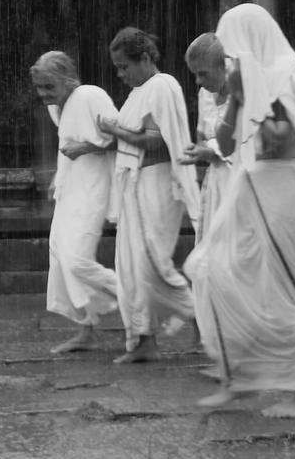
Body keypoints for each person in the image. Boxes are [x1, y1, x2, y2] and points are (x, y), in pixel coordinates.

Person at [185, 3, 295, 418]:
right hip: (251, 184)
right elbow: (228, 142)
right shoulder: (245, 79)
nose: (230, 56)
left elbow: (282, 138)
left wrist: (252, 96)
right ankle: (240, 377)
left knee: (282, 287)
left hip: (288, 186)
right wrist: (236, 97)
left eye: (232, 47)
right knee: (216, 270)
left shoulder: (290, 73)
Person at [97, 28, 201, 364]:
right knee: (129, 268)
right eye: (117, 67)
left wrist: (113, 129)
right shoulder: (139, 92)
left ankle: (203, 316)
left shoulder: (162, 85)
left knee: (151, 264)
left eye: (124, 66)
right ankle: (144, 340)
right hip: (133, 182)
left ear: (144, 59)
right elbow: (133, 138)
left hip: (154, 183)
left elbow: (155, 141)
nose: (120, 74)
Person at [31, 51, 121, 354]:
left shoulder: (90, 96)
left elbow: (124, 136)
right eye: (40, 88)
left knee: (77, 259)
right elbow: (64, 146)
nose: (44, 95)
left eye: (49, 87)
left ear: (67, 79)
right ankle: (87, 328)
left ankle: (134, 294)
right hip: (71, 188)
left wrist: (85, 147)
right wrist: (59, 178)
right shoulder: (59, 106)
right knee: (59, 256)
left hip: (94, 188)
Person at [178, 32, 232, 373]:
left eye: (204, 74)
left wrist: (211, 149)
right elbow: (204, 136)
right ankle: (219, 348)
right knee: (206, 266)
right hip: (214, 182)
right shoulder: (206, 93)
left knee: (229, 266)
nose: (199, 81)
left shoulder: (246, 91)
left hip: (239, 184)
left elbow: (252, 140)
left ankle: (238, 352)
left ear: (224, 66)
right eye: (195, 74)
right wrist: (204, 151)